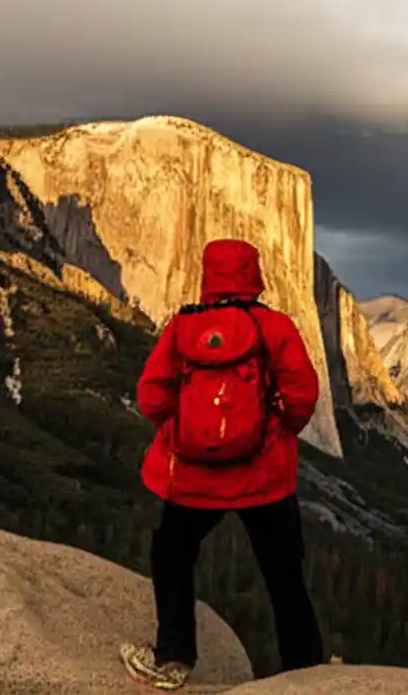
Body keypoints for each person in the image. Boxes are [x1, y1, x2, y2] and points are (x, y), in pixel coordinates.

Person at [120, 239, 325, 691]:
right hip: (264, 478)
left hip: (195, 480)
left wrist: (187, 432)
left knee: (172, 554)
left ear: (207, 275)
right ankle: (306, 669)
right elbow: (303, 396)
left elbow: (151, 396)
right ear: (254, 275)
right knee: (284, 573)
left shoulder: (182, 328)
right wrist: (274, 429)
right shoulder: (275, 327)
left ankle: (172, 656)